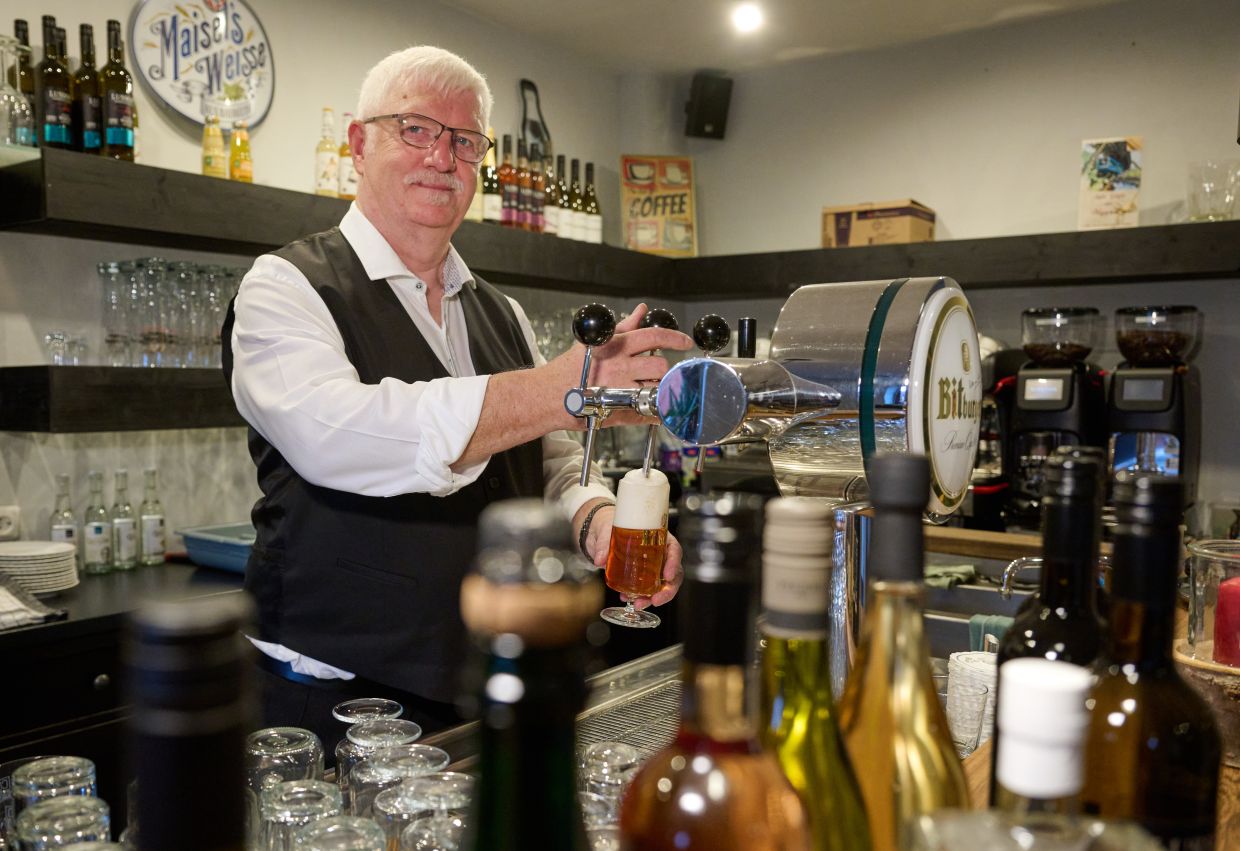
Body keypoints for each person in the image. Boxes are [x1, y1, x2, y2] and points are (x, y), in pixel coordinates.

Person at [223, 45, 691, 750]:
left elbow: (552, 465)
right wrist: (563, 387)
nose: (441, 156)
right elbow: (341, 437)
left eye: (464, 140)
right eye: (415, 128)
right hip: (334, 700)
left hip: (481, 676)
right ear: (358, 142)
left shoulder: (499, 312)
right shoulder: (285, 286)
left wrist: (596, 516)